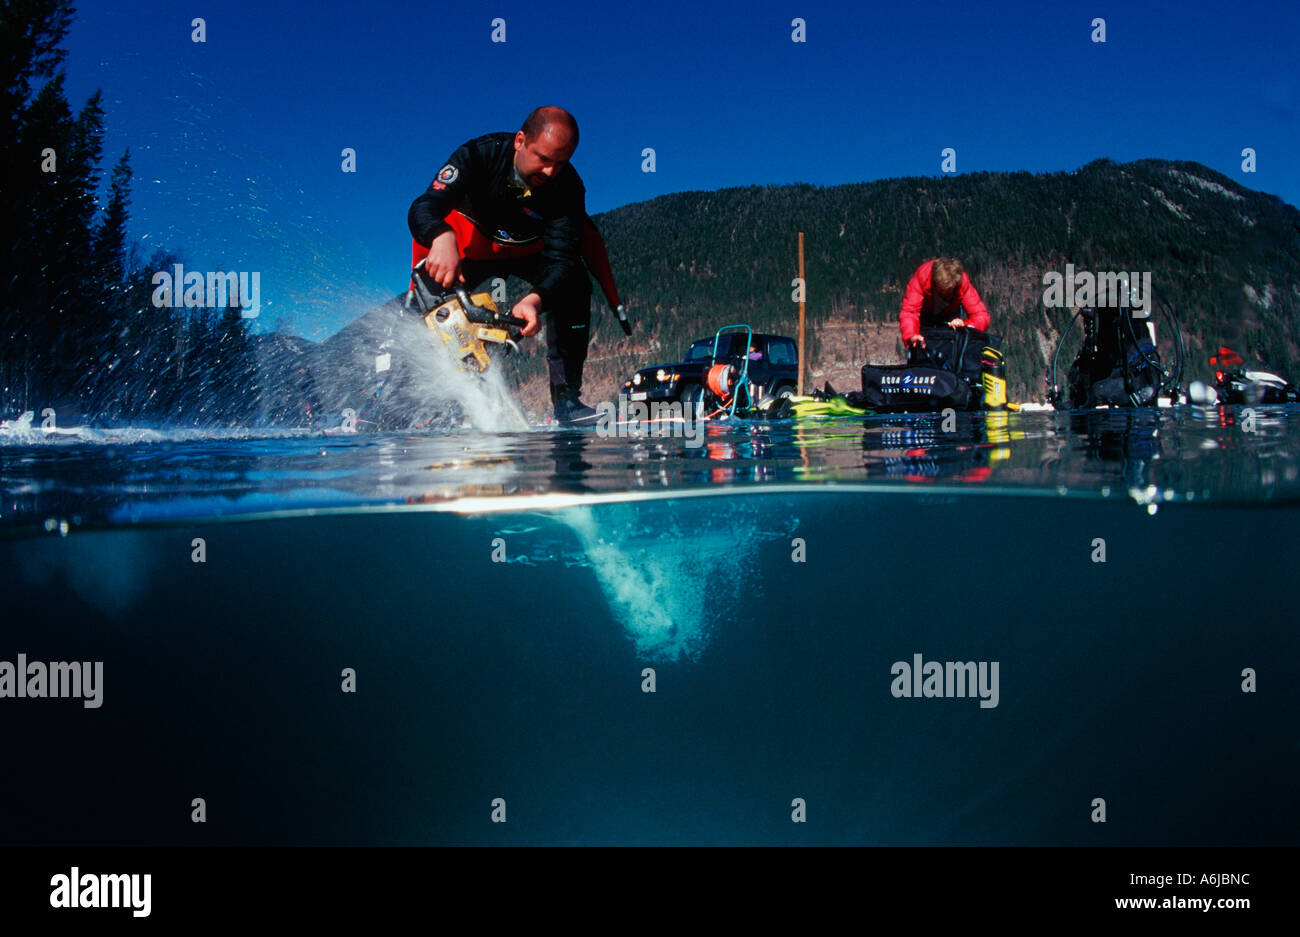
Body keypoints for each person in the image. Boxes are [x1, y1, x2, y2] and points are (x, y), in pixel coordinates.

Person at [408, 106, 602, 424]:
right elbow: (424, 205)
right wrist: (439, 235)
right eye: (543, 158)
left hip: (529, 251)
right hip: (474, 250)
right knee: (425, 303)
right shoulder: (479, 154)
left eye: (560, 163)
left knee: (576, 282)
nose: (551, 172)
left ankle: (566, 400)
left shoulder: (568, 187)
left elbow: (562, 261)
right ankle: (413, 408)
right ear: (520, 140)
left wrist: (535, 299)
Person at [898, 257, 990, 351]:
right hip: (924, 320)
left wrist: (965, 326)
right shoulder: (923, 277)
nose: (945, 293)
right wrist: (911, 335)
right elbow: (909, 311)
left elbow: (981, 315)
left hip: (950, 324)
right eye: (941, 290)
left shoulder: (962, 283)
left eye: (950, 290)